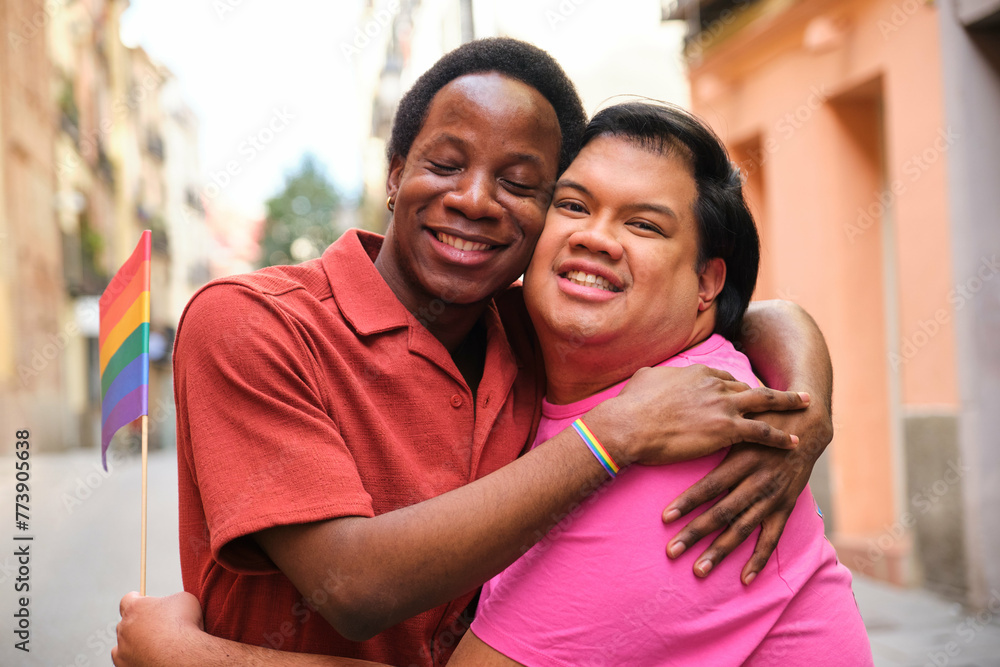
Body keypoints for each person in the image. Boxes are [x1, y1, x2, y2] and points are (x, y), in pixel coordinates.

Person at [113, 39, 834, 667]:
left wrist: (809, 412)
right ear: (395, 174)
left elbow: (757, 316)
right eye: (445, 164)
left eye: (521, 184)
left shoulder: (531, 328)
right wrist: (613, 434)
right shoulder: (255, 322)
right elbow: (353, 588)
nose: (475, 200)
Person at [448, 101, 873, 666]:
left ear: (707, 283)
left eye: (644, 225)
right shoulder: (523, 353)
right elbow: (767, 314)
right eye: (573, 206)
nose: (595, 238)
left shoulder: (692, 446)